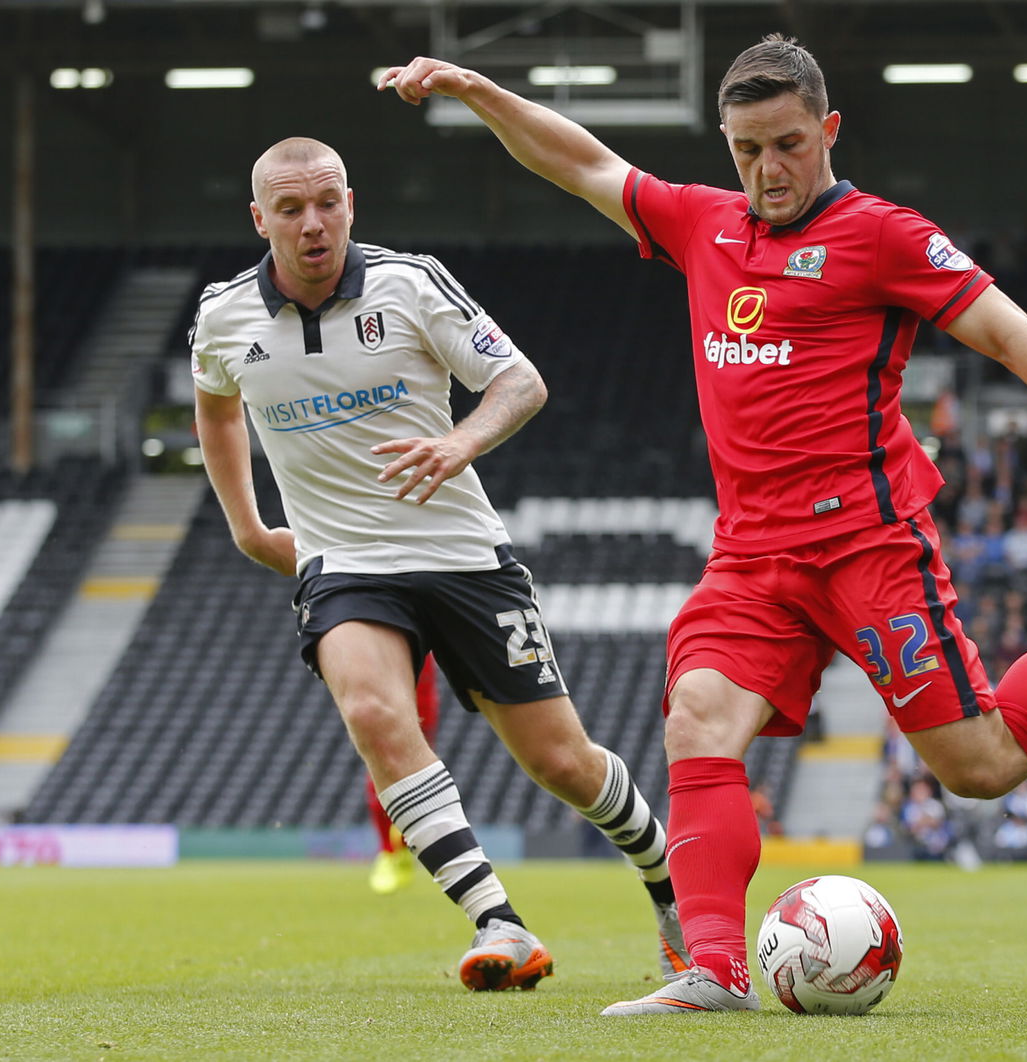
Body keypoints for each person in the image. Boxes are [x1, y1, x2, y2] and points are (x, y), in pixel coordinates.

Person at [380, 36, 1027, 1015]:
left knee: (980, 768)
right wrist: (473, 88)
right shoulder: (702, 223)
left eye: (788, 145)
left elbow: (1010, 334)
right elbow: (583, 161)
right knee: (696, 721)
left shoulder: (884, 236)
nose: (768, 171)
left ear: (828, 130)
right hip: (751, 557)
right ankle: (713, 969)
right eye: (747, 149)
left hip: (867, 547)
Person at [189, 137, 688, 991]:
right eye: (292, 209)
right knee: (376, 712)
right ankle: (500, 921)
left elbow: (520, 382)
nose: (315, 225)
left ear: (352, 199)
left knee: (562, 763)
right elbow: (217, 406)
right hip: (344, 560)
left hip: (462, 556)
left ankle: (672, 891)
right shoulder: (225, 315)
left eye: (329, 203)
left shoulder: (409, 283)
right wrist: (246, 524)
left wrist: (460, 440)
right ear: (259, 218)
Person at [368, 654, 440, 894]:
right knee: (379, 771)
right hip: (379, 684)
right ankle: (391, 851)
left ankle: (404, 844)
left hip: (417, 691)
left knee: (415, 769)